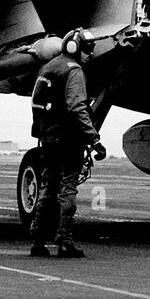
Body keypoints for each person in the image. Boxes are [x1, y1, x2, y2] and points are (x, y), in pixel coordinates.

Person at [29, 30, 106, 259]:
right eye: (87, 49)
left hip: (49, 139)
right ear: (74, 47)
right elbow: (77, 107)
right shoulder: (74, 72)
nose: (90, 54)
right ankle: (64, 240)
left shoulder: (48, 67)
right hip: (68, 140)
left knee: (47, 188)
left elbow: (36, 103)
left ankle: (38, 240)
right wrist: (94, 139)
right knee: (67, 190)